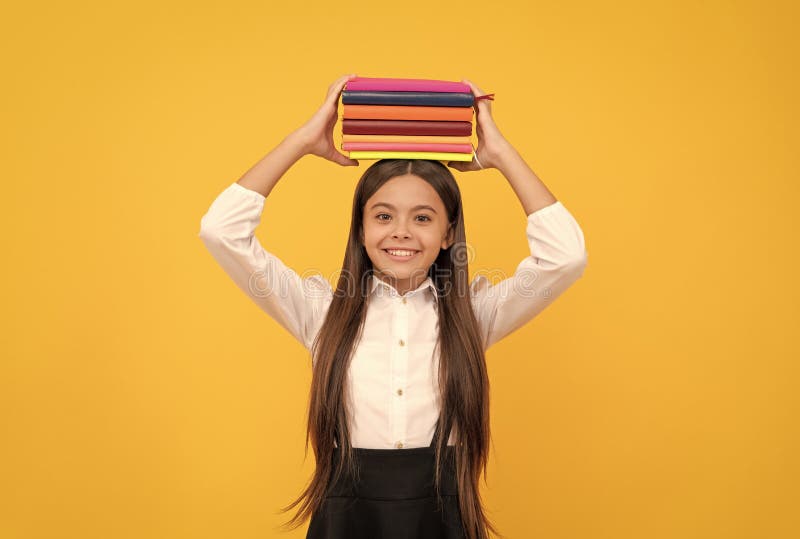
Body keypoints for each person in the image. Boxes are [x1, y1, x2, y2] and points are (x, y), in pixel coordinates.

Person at [198, 74, 588, 539]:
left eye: (422, 218)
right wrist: (302, 141)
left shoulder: (473, 315)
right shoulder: (321, 311)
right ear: (361, 230)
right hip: (346, 521)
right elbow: (221, 231)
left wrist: (501, 155)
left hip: (442, 520)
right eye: (383, 216)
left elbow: (566, 256)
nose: (401, 232)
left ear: (447, 236)